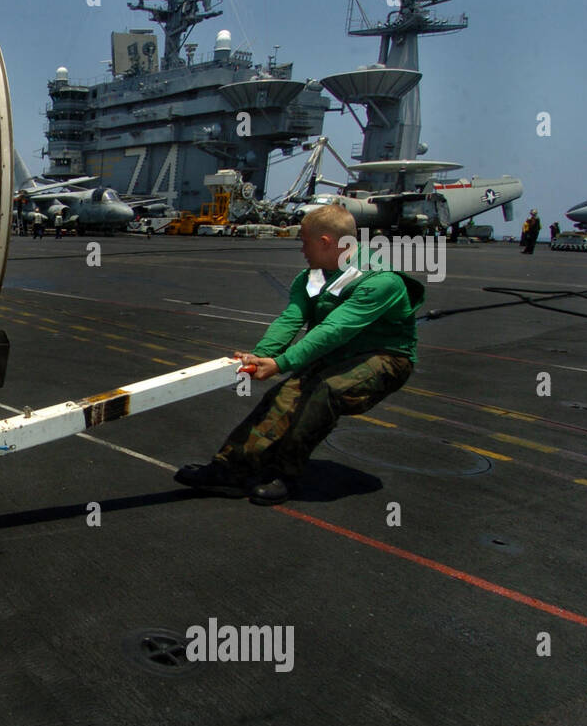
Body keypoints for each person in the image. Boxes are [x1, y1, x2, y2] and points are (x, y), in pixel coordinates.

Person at [174, 204, 424, 505]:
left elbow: (334, 329)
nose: (302, 249)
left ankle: (285, 474)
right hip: (337, 354)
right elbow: (291, 319)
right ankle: (230, 471)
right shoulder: (315, 277)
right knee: (282, 398)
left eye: (304, 241)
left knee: (323, 392)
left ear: (325, 242)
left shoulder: (379, 281)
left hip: (385, 358)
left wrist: (282, 363)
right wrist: (261, 355)